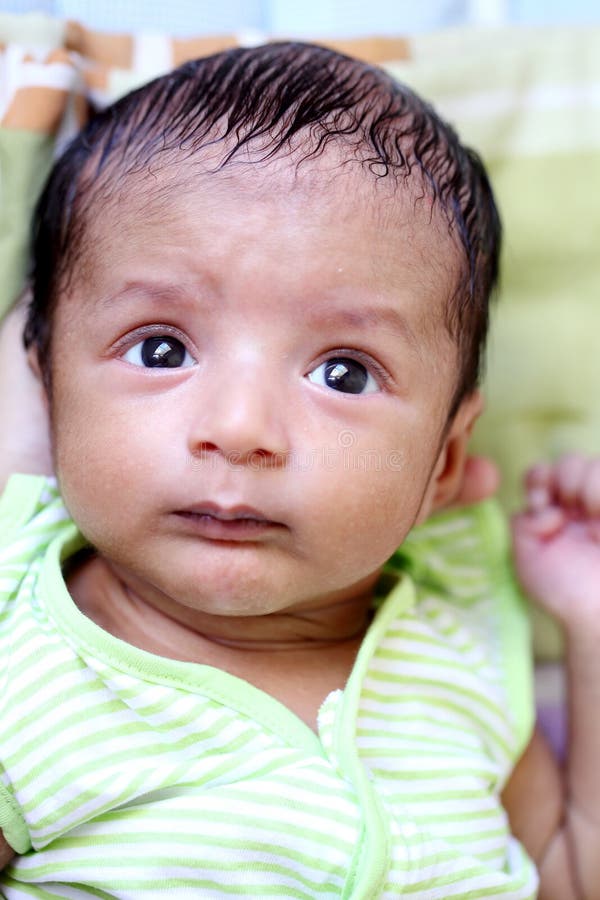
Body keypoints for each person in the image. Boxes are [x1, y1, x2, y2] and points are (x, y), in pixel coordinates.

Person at [0, 40, 595, 899]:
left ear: (446, 465)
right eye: (160, 349)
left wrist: (589, 622)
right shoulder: (27, 668)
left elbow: (570, 880)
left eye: (343, 372)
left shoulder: (461, 657)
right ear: (49, 396)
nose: (241, 431)